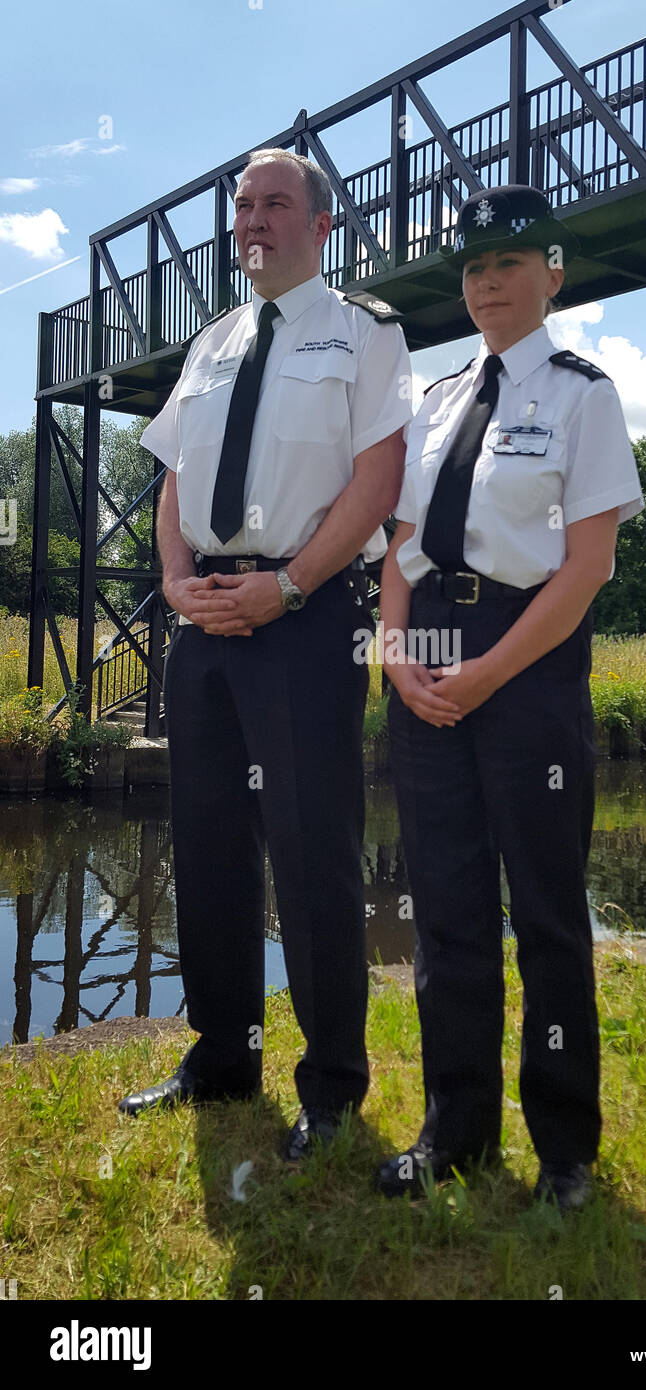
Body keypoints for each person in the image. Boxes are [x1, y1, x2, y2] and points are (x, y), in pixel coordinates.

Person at [119, 149, 412, 1163]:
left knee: (311, 850)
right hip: (204, 621)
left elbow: (376, 480)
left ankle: (331, 1084)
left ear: (319, 225)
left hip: (303, 610)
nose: (252, 218)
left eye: (274, 203)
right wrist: (174, 579)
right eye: (242, 204)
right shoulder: (209, 342)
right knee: (204, 847)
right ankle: (222, 1053)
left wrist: (284, 587)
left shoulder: (364, 332)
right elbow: (172, 479)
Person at [375, 185, 644, 1209]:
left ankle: (564, 1150)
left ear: (553, 271)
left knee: (543, 911)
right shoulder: (437, 401)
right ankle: (455, 1132)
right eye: (474, 268)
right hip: (425, 648)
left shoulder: (584, 394)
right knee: (444, 908)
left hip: (525, 655)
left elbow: (583, 568)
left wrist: (488, 672)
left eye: (508, 264)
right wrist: (395, 657)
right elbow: (401, 545)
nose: (487, 283)